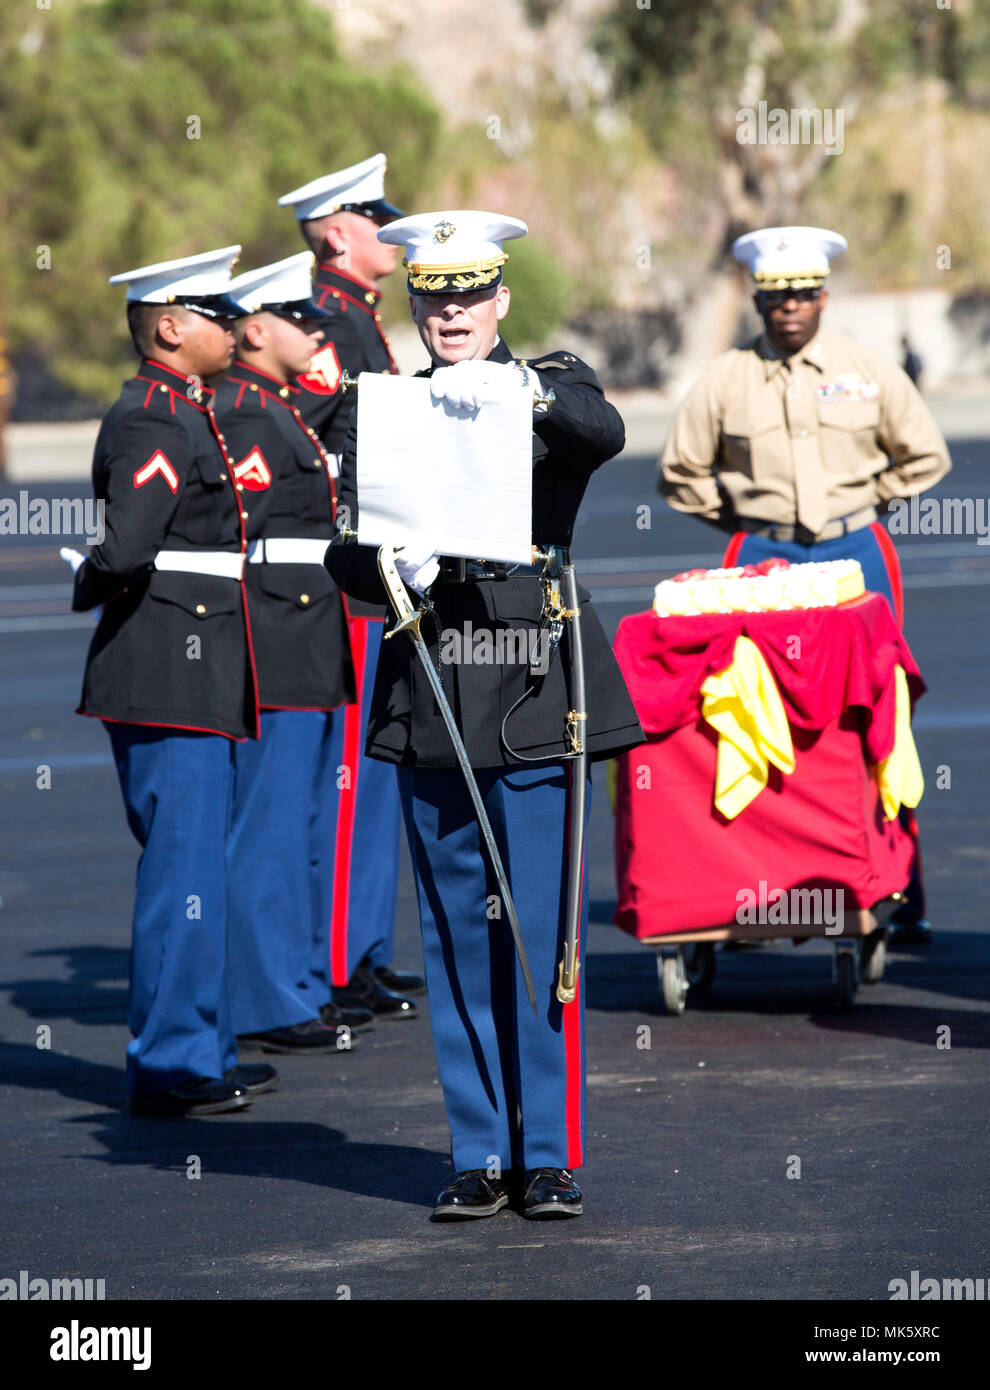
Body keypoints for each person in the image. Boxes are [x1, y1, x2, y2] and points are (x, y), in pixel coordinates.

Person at [327, 210, 643, 1219]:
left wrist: (527, 393)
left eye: (469, 293)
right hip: (430, 675)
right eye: (433, 295)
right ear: (414, 304)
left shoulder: (550, 383)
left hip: (532, 680)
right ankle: (478, 1149)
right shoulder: (378, 409)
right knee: (458, 925)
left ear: (501, 298)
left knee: (542, 929)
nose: (451, 311)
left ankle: (546, 1151)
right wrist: (382, 567)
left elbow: (603, 431)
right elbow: (341, 542)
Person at [659, 225, 952, 945]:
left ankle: (897, 886)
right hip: (761, 556)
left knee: (879, 710)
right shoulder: (725, 379)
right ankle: (759, 881)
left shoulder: (868, 367)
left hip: (856, 548)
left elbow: (926, 455)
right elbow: (679, 474)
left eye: (803, 295)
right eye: (775, 297)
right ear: (758, 301)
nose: (789, 307)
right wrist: (748, 517)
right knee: (749, 713)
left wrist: (869, 500)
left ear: (824, 297)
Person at [70, 245, 277, 1115]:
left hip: (195, 664)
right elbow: (128, 546)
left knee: (199, 868)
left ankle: (204, 1042)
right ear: (169, 326)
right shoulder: (156, 416)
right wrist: (90, 580)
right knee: (181, 873)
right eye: (216, 316)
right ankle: (170, 1063)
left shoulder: (184, 406)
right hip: (168, 664)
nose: (234, 330)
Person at [214, 251, 374, 1054]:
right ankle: (267, 996)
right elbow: (233, 536)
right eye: (297, 319)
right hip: (274, 637)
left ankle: (299, 984)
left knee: (301, 823)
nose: (314, 330)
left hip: (304, 635)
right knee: (270, 830)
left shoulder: (271, 406)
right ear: (252, 329)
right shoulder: (244, 412)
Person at [278, 154, 421, 1018]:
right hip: (344, 568)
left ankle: (360, 945)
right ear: (339, 233)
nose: (390, 233)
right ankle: (337, 960)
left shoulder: (357, 317)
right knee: (349, 778)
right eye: (377, 219)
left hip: (376, 562)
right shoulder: (327, 321)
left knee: (373, 771)